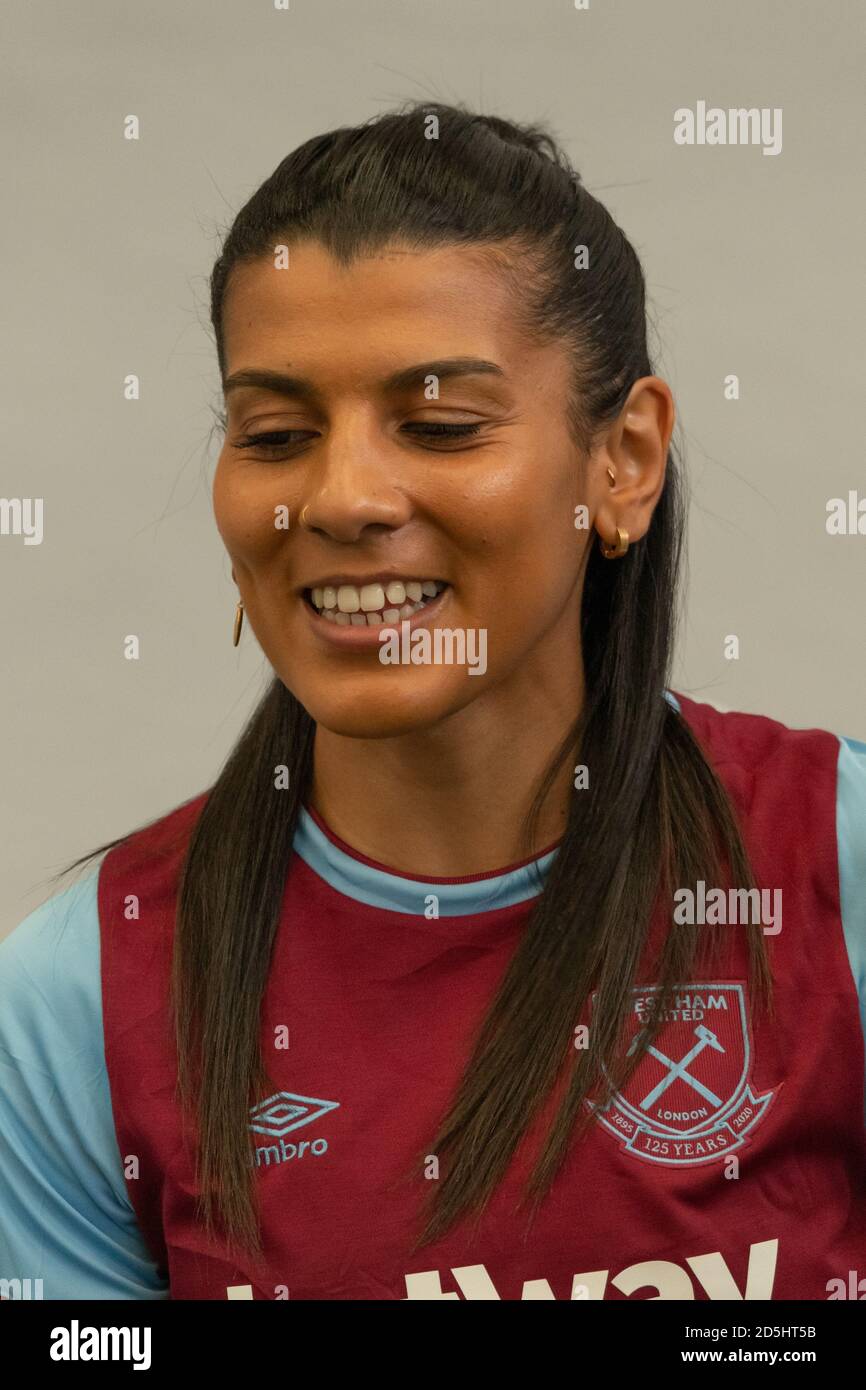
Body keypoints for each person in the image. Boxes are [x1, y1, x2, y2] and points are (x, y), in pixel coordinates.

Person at [1, 101, 864, 1302]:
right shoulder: (78, 996)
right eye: (276, 432)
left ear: (622, 462)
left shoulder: (833, 859)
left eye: (440, 424)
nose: (343, 496)